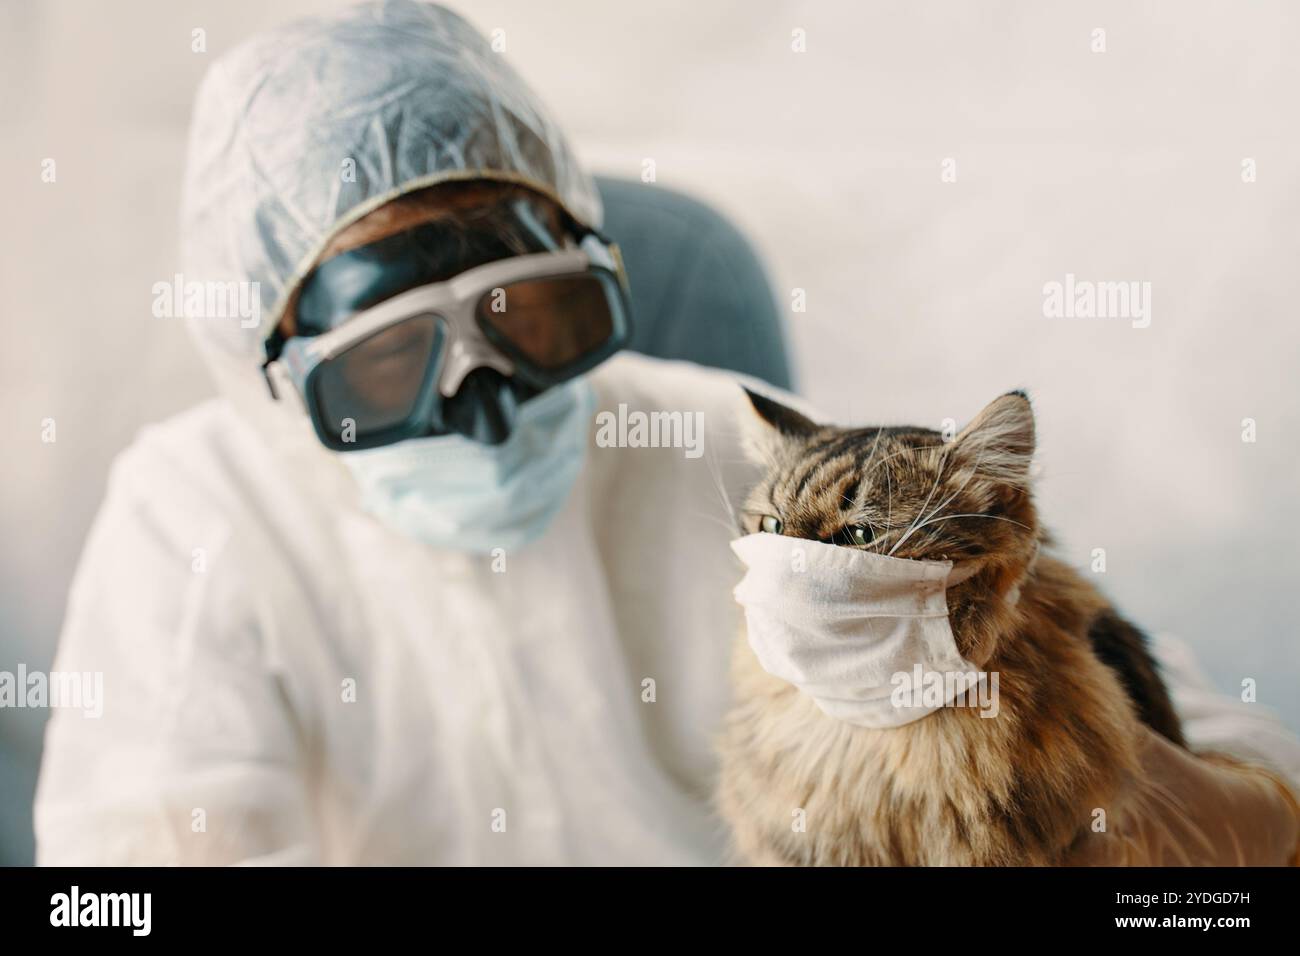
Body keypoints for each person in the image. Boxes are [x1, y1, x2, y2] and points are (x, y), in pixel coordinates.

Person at [34, 0, 1299, 865]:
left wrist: (1178, 833)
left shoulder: (725, 455)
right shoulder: (190, 512)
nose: (482, 401)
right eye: (388, 358)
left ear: (594, 270)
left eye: (526, 314)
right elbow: (120, 875)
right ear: (276, 362)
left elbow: (1215, 749)